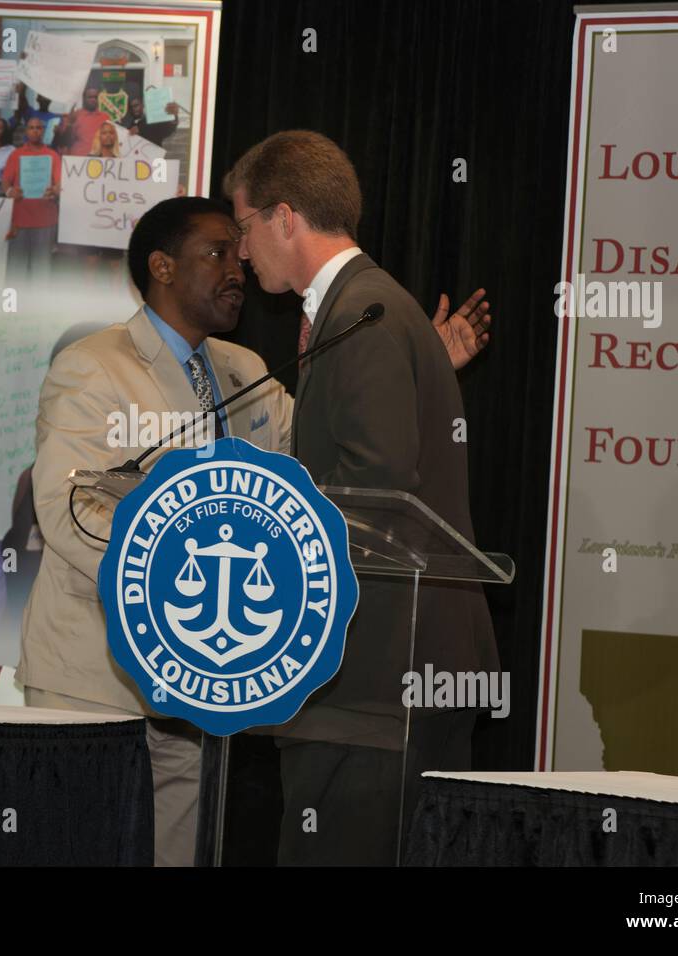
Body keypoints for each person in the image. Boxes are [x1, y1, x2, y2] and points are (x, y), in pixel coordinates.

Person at [18, 197, 491, 866]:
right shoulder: (95, 365)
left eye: (239, 253)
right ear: (161, 266)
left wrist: (418, 373)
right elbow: (69, 509)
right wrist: (170, 584)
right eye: (216, 253)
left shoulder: (246, 372)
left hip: (197, 686)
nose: (237, 267)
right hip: (93, 678)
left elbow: (331, 459)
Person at [225, 129, 498, 865]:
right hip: (396, 666)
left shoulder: (362, 315)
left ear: (286, 216)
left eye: (245, 228)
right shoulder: (371, 309)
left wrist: (257, 553)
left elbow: (374, 492)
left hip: (379, 672)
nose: (243, 254)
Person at [1, 117, 62, 288]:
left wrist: (56, 190)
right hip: (18, 220)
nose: (35, 131)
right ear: (26, 131)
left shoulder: (53, 156)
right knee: (14, 270)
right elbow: (5, 182)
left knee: (42, 270)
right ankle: (9, 309)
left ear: (44, 131)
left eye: (39, 127)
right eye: (31, 127)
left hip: (45, 220)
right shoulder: (16, 154)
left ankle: (39, 312)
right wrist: (9, 191)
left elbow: (60, 184)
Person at [57, 85, 111, 156]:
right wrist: (70, 123)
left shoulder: (105, 117)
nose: (93, 100)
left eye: (95, 97)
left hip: (99, 158)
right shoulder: (75, 115)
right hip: (78, 159)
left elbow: (112, 140)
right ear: (84, 99)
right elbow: (64, 142)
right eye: (90, 97)